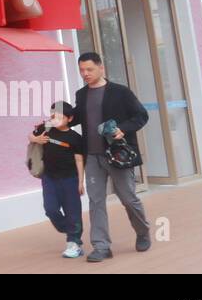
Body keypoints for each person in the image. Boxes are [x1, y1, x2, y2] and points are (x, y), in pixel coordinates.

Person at [73, 52, 151, 262]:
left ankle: (142, 231)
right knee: (96, 200)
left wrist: (122, 130)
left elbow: (141, 115)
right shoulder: (81, 95)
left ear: (101, 68)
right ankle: (101, 246)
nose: (85, 74)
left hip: (117, 155)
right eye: (81, 70)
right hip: (92, 157)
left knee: (128, 198)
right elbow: (74, 118)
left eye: (89, 69)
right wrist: (49, 125)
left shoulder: (120, 92)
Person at [29, 100, 86, 258]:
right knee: (50, 209)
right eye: (53, 115)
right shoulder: (45, 129)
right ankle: (69, 229)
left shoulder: (75, 138)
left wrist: (81, 182)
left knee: (72, 211)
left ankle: (74, 243)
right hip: (50, 178)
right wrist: (35, 139)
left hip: (70, 179)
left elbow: (79, 160)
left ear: (69, 118)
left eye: (59, 116)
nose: (55, 118)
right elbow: (30, 135)